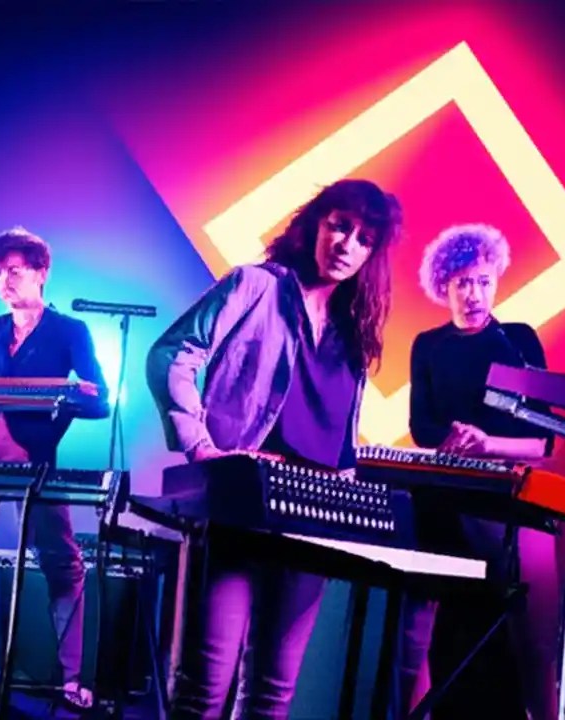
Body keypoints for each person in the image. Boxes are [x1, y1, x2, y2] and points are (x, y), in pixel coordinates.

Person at [146, 179, 401, 718]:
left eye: (363, 238)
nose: (346, 244)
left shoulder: (355, 329)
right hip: (240, 501)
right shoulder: (254, 286)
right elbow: (173, 353)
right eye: (339, 225)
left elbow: (343, 434)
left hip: (313, 513)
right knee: (201, 691)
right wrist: (200, 444)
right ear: (316, 223)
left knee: (271, 696)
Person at [398, 223, 558, 720]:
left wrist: (488, 443)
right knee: (426, 623)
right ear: (443, 285)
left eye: (484, 280)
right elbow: (421, 427)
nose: (475, 294)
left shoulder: (519, 341)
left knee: (529, 634)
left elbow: (544, 441)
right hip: (447, 496)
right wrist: (453, 443)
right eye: (463, 282)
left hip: (513, 499)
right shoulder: (427, 345)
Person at [0, 227, 110, 710]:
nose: (4, 282)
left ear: (41, 273)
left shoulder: (70, 331)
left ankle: (72, 680)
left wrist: (62, 402)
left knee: (63, 563)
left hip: (36, 462)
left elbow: (100, 402)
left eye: (14, 271)